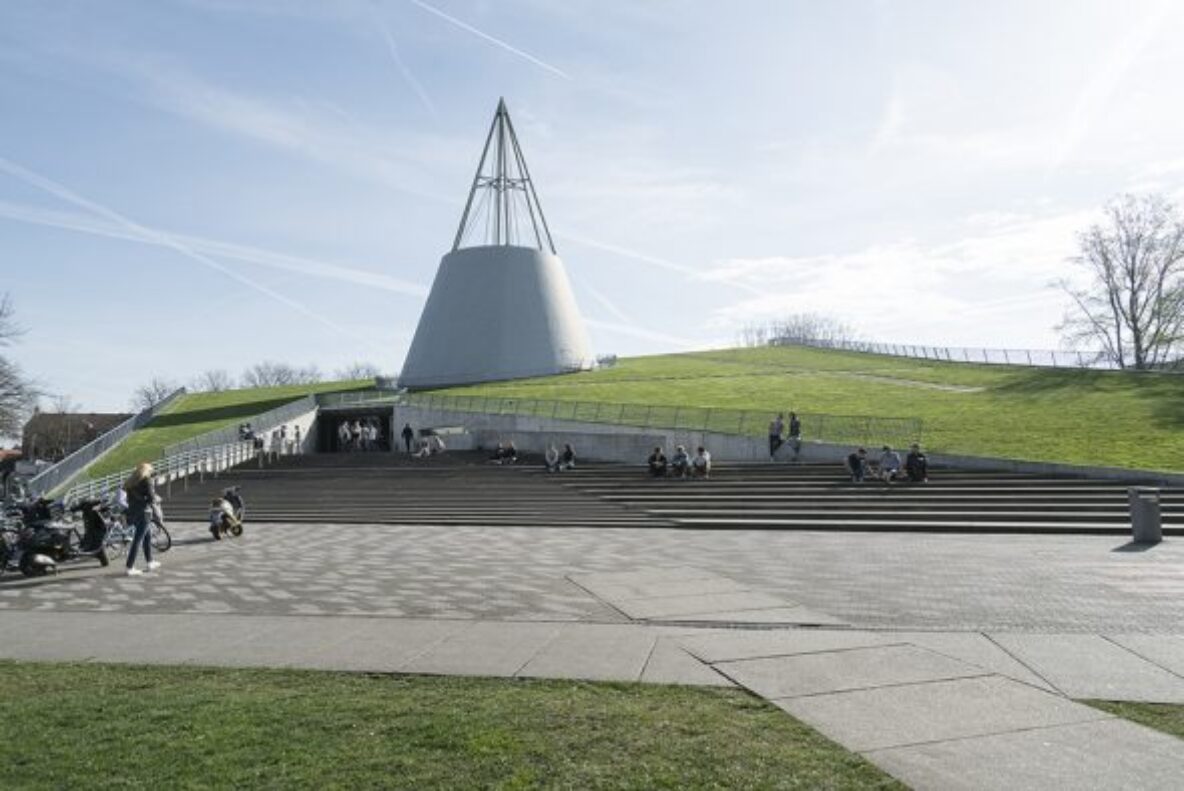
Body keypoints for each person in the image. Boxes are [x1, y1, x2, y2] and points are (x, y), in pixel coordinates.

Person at [122, 462, 160, 576]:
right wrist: (154, 498)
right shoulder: (147, 480)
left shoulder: (130, 482)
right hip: (144, 512)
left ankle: (150, 562)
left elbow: (128, 499)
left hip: (133, 512)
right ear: (147, 471)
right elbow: (151, 498)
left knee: (146, 536)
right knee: (138, 540)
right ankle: (130, 567)